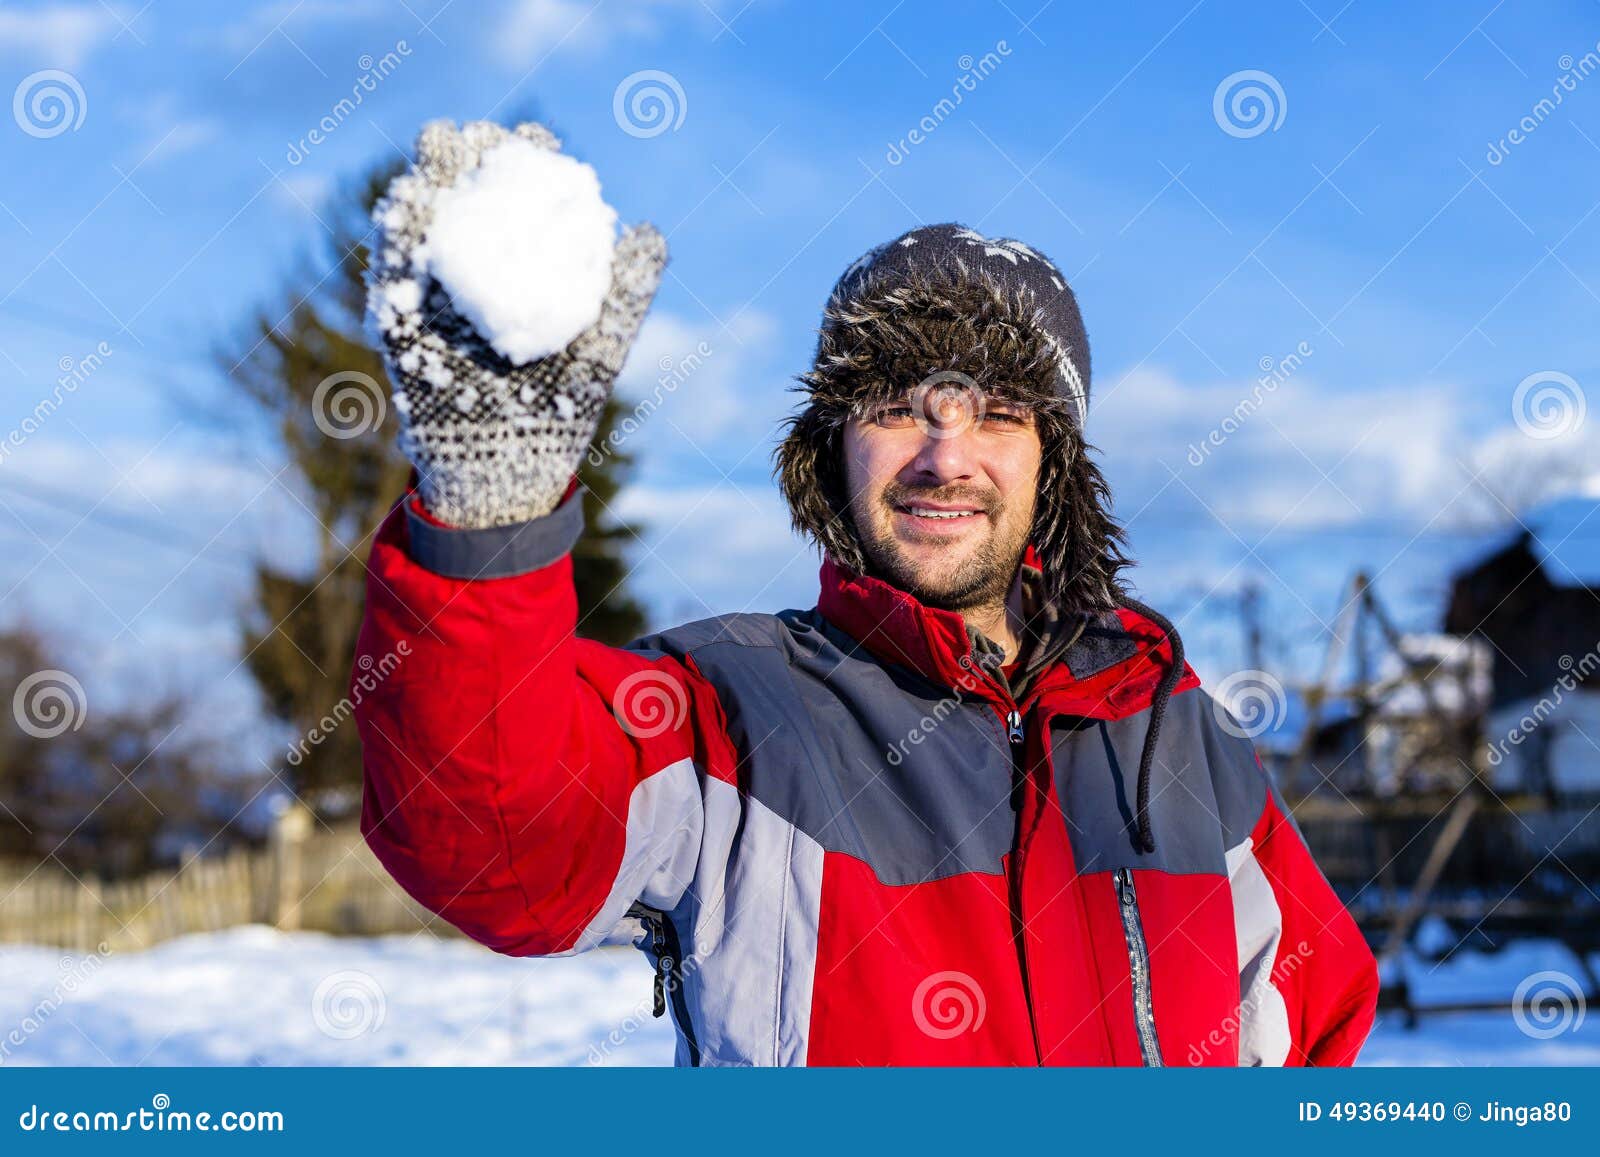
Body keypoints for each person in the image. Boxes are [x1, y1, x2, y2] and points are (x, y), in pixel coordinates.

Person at [352, 119, 1379, 1067]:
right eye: (895, 406)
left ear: (1053, 463)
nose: (945, 458)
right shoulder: (724, 711)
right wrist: (489, 522)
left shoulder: (1175, 729)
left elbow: (1319, 1013)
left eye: (997, 414)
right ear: (830, 453)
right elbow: (495, 841)